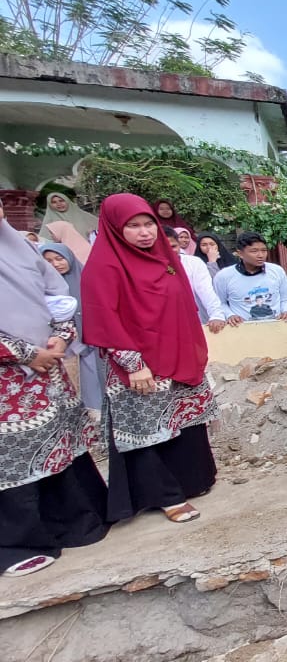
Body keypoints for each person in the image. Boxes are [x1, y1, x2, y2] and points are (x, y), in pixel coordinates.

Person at [82, 193, 218, 524]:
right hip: (140, 364)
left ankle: (189, 482)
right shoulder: (104, 266)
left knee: (183, 424)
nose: (145, 233)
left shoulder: (165, 260)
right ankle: (164, 497)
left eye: (149, 225)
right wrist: (133, 365)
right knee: (146, 432)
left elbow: (185, 306)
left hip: (179, 355)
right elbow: (104, 320)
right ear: (115, 228)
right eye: (133, 226)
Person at [1, 212, 109, 578]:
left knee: (60, 442)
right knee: (14, 455)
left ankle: (77, 521)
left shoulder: (22, 250)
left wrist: (61, 337)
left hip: (49, 370)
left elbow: (58, 296)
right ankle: (19, 543)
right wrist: (27, 353)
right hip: (7, 380)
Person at [39, 241, 106, 413]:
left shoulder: (88, 278)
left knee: (94, 376)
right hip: (56, 345)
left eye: (59, 258)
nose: (55, 264)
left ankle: (99, 413)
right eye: (48, 261)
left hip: (92, 341)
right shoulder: (40, 286)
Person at [212, 232, 287, 325]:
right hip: (242, 330)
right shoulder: (224, 276)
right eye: (254, 251)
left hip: (277, 327)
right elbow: (219, 303)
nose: (260, 255)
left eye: (264, 250)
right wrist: (230, 315)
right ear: (240, 254)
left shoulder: (277, 271)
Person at [163, 227, 226, 333]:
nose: (170, 251)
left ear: (179, 245)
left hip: (194, 319)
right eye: (164, 247)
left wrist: (216, 314)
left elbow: (206, 291)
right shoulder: (148, 267)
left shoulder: (193, 263)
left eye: (173, 246)